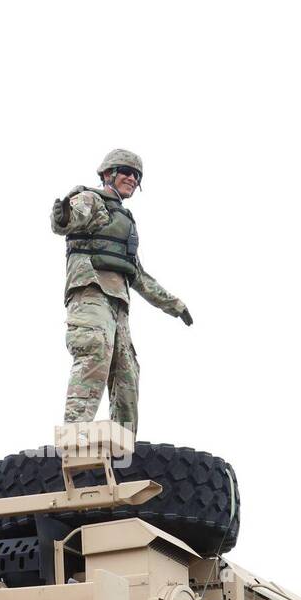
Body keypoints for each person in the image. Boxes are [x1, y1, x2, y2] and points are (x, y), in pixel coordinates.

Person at [51, 149, 192, 436]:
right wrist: (62, 215)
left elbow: (138, 275)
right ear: (108, 174)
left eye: (136, 175)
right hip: (90, 292)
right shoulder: (91, 199)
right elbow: (66, 221)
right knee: (94, 353)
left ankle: (124, 449)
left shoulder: (125, 223)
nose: (132, 178)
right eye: (126, 171)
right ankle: (74, 438)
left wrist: (174, 305)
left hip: (118, 305)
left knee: (127, 375)